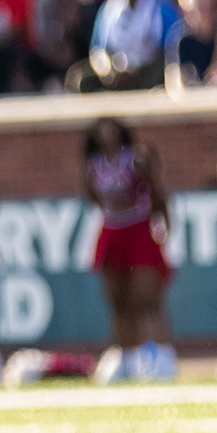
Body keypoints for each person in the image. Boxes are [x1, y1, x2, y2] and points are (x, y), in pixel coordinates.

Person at [84, 117, 176, 382]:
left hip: (138, 229)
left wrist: (164, 225)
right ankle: (126, 357)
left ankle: (161, 357)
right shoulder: (93, 165)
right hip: (112, 233)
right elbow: (93, 197)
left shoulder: (135, 159)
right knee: (119, 302)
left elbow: (157, 193)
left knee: (147, 301)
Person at [68, 0, 181, 92]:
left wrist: (137, 68)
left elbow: (170, 49)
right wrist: (108, 69)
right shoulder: (108, 9)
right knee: (79, 77)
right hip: (115, 72)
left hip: (147, 69)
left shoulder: (161, 8)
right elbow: (98, 50)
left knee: (164, 70)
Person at [165, 0, 217, 91]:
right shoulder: (181, 38)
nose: (205, 13)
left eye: (210, 7)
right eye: (201, 8)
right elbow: (174, 78)